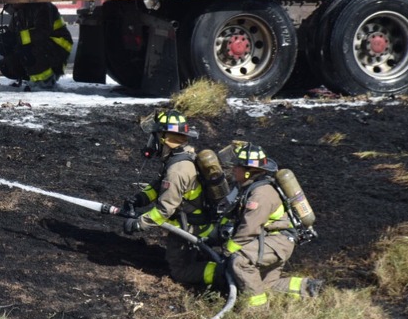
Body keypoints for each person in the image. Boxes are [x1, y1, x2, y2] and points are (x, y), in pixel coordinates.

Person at [217, 142, 324, 307]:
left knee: (240, 261)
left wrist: (227, 250)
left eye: (237, 167)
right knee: (264, 284)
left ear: (247, 172)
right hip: (273, 241)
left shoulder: (261, 194)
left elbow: (248, 230)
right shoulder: (247, 187)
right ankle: (309, 288)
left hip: (276, 242)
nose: (233, 170)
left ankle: (258, 310)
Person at [123, 109, 221, 288]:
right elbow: (159, 186)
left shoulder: (177, 170)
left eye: (154, 136)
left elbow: (164, 210)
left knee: (180, 272)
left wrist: (139, 224)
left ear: (163, 138)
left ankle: (222, 273)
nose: (150, 142)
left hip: (191, 229)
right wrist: (140, 199)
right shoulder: (179, 157)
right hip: (194, 223)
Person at [0, 2, 73, 90]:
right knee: (8, 63)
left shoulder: (42, 7)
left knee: (29, 52)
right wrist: (6, 44)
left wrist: (17, 38)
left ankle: (45, 82)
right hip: (40, 45)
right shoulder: (18, 13)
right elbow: (14, 33)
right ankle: (32, 79)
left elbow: (42, 32)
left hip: (58, 45)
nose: (11, 2)